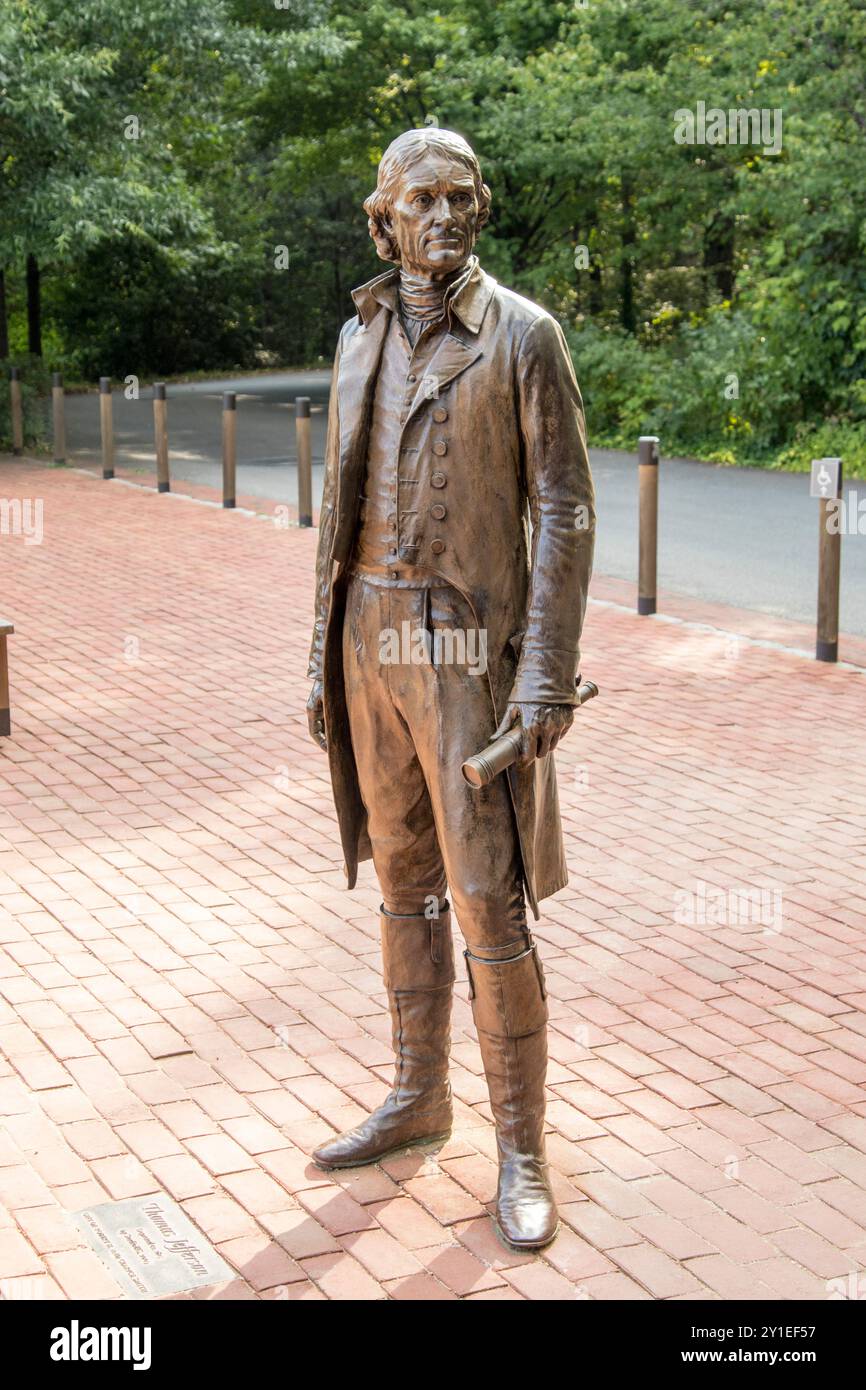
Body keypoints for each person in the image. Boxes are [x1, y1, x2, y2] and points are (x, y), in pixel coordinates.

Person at [305, 127, 595, 1249]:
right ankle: (416, 1091)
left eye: (461, 199)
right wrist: (319, 657)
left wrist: (546, 676)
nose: (445, 216)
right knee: (402, 885)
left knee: (486, 899)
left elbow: (563, 507)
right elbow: (334, 508)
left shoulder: (523, 335)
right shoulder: (355, 334)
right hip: (368, 637)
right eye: (421, 199)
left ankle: (520, 1143)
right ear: (383, 218)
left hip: (466, 651)